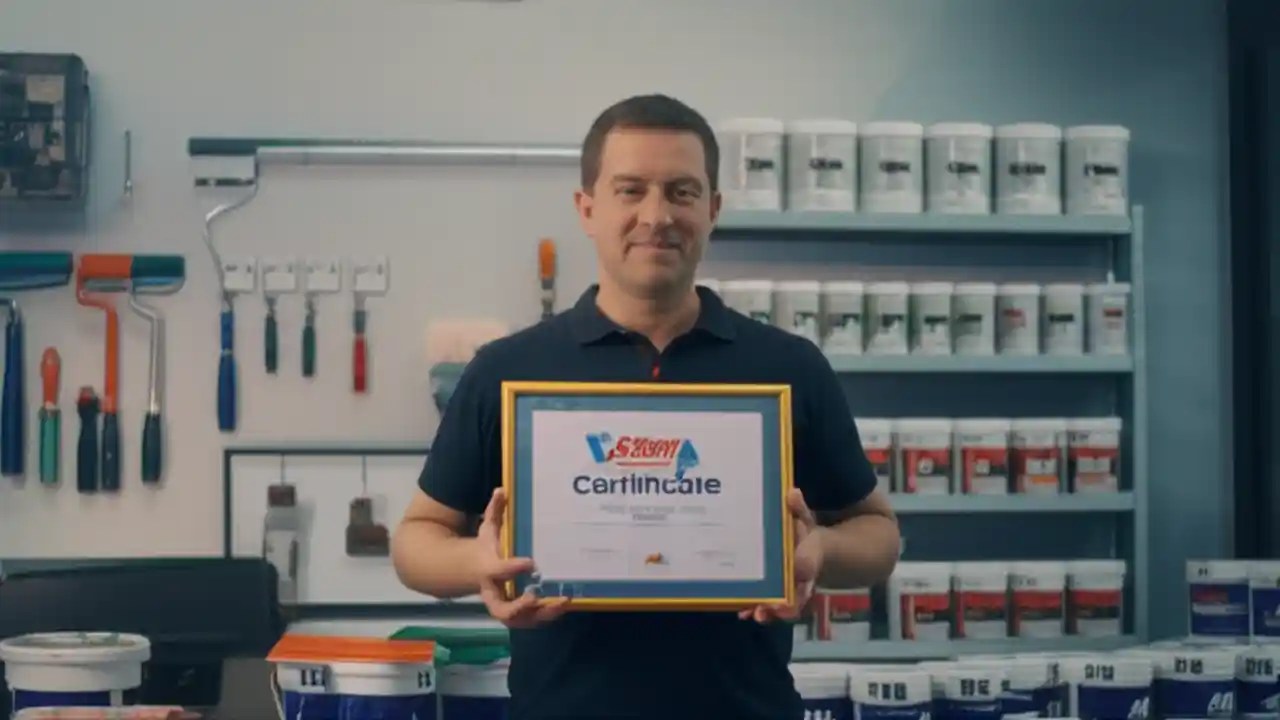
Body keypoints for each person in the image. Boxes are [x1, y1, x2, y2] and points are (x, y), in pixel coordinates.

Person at [392, 94, 900, 720]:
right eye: (630, 190)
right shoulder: (506, 369)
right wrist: (480, 560)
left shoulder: (789, 368)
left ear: (713, 210)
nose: (656, 215)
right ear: (587, 207)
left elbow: (880, 536)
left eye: (682, 192)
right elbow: (415, 541)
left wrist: (819, 550)